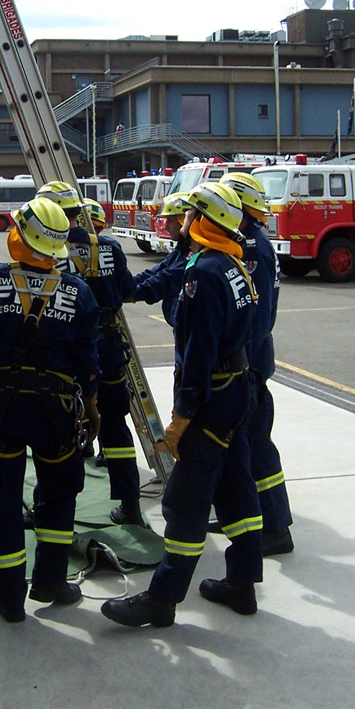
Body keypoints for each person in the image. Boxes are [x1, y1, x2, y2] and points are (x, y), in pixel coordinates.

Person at [101, 182, 263, 628]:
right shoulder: (230, 263)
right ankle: (243, 583)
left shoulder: (204, 274)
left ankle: (162, 598)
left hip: (211, 400)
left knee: (185, 503)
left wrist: (182, 416)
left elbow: (198, 353)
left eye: (189, 215)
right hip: (236, 391)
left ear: (203, 221)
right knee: (236, 488)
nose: (182, 222)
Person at [0, 196, 100, 623]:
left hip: (3, 406)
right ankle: (50, 580)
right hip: (57, 409)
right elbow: (88, 359)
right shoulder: (78, 292)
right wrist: (93, 403)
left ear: (19, 238)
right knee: (59, 492)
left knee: (4, 499)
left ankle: (10, 596)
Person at [37, 183, 145, 527]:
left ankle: (50, 508)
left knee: (55, 428)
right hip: (108, 349)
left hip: (65, 353)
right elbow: (127, 290)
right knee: (115, 425)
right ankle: (130, 505)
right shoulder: (109, 245)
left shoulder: (47, 250)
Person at [218, 172, 293, 556]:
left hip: (250, 363)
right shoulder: (248, 243)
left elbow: (258, 316)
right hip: (249, 360)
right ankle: (246, 514)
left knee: (257, 443)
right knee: (243, 444)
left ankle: (276, 527)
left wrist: (242, 365)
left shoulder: (253, 249)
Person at [128, 192, 191, 327]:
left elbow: (163, 281)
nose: (166, 226)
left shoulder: (194, 256)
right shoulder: (182, 250)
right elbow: (156, 272)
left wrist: (125, 294)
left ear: (183, 219)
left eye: (170, 221)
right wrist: (125, 283)